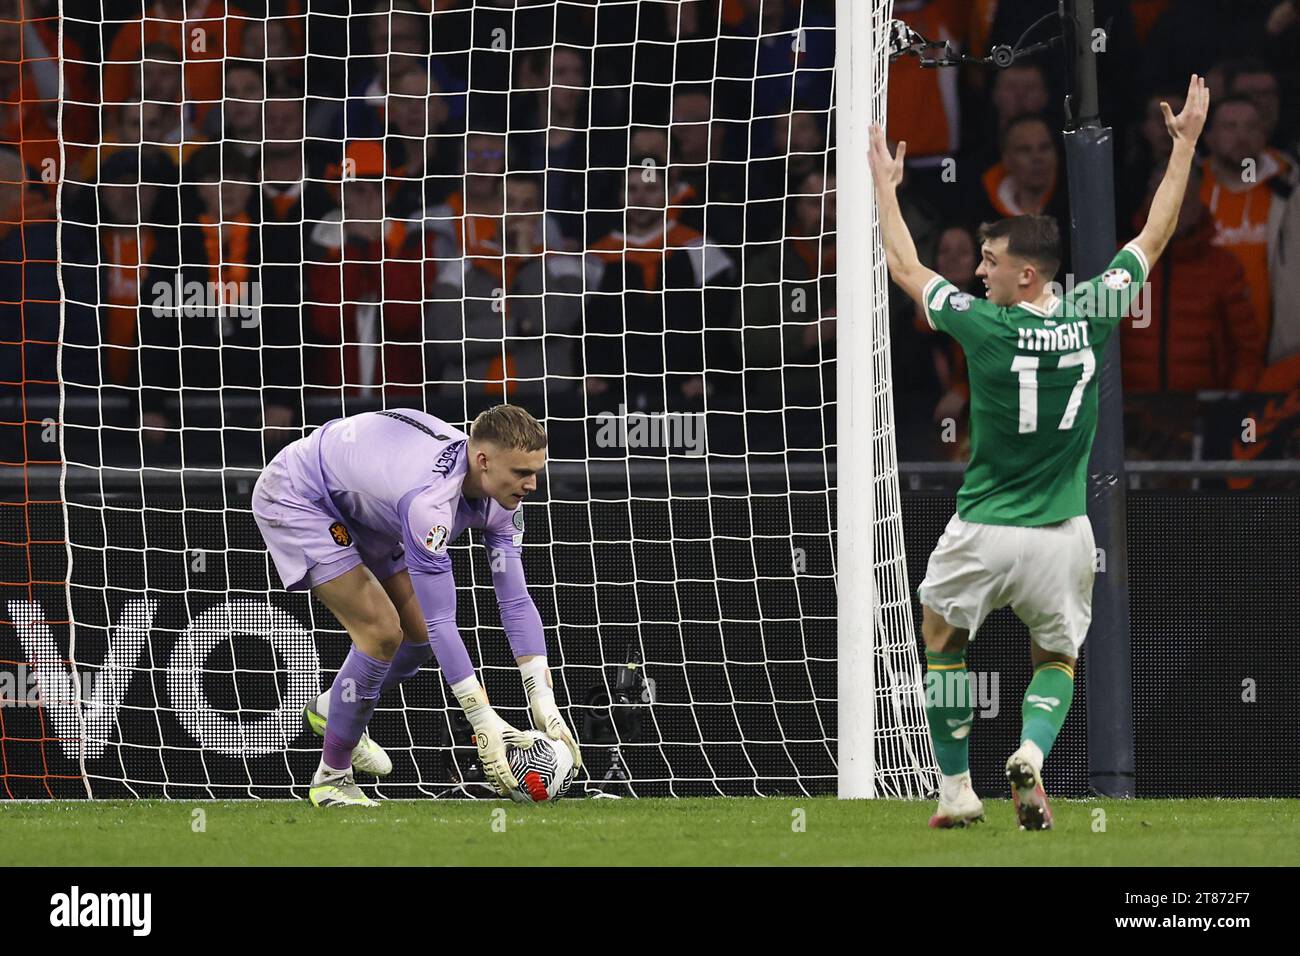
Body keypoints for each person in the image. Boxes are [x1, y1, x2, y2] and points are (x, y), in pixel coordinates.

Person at [867, 75, 1210, 830]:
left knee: (941, 641)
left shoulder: (985, 327)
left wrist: (885, 189)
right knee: (1055, 661)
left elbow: (904, 268)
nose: (977, 271)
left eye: (990, 262)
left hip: (985, 528)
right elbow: (1153, 236)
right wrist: (1184, 144)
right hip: (1063, 535)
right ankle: (1031, 751)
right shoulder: (1091, 312)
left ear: (1026, 275)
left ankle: (956, 790)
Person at [251, 404, 582, 807]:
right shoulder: (430, 503)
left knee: (418, 633)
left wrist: (543, 703)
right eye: (521, 473)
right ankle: (332, 778)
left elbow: (515, 599)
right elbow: (445, 619)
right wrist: (482, 720)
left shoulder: (502, 499)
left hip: (368, 503)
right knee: (381, 632)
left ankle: (334, 705)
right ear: (483, 461)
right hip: (302, 493)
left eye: (535, 472)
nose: (531, 484)